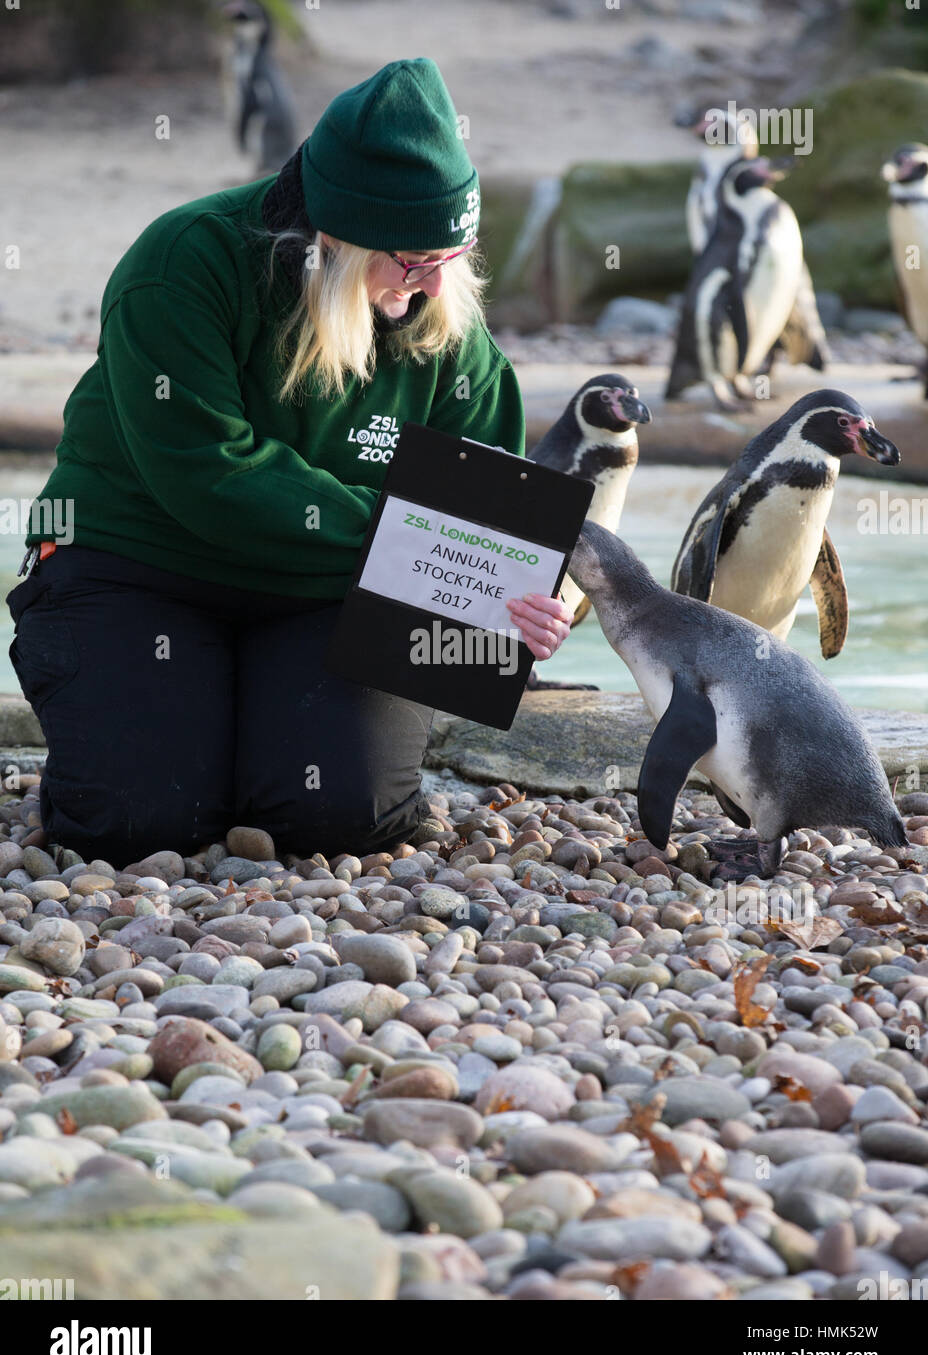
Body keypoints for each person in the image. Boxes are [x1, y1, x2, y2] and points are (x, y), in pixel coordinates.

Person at [7, 57, 573, 869]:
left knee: (340, 816)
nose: (429, 287)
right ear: (332, 236)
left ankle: (238, 736)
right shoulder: (184, 263)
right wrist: (409, 533)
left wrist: (513, 603)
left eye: (453, 255)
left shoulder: (445, 322)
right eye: (410, 261)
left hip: (332, 594)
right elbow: (211, 478)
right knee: (135, 823)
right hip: (135, 562)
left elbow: (478, 526)